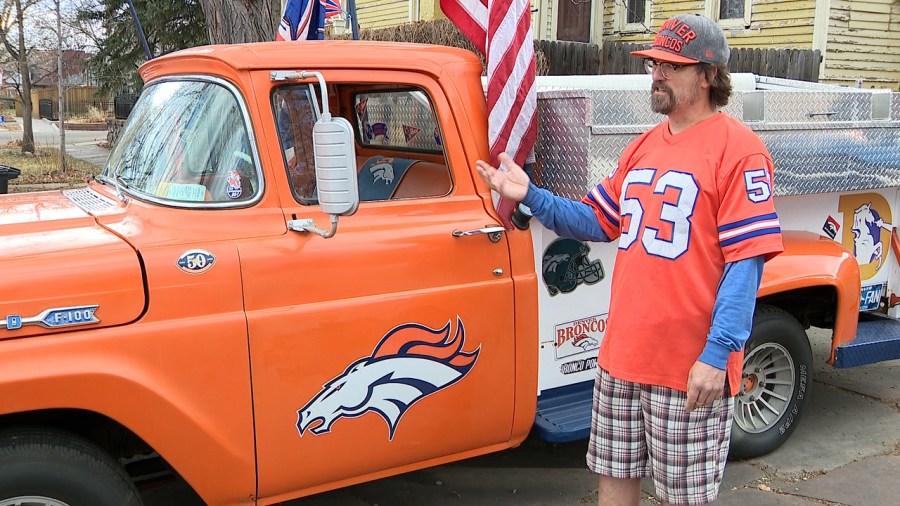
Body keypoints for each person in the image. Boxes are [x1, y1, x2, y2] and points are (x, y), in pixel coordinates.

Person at [476, 13, 784, 506]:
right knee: (613, 484)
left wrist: (716, 353)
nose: (656, 74)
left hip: (687, 368)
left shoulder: (740, 151)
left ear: (707, 75)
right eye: (653, 64)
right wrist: (530, 194)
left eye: (671, 66)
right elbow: (596, 221)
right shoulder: (642, 146)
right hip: (620, 358)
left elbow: (745, 264)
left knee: (683, 497)